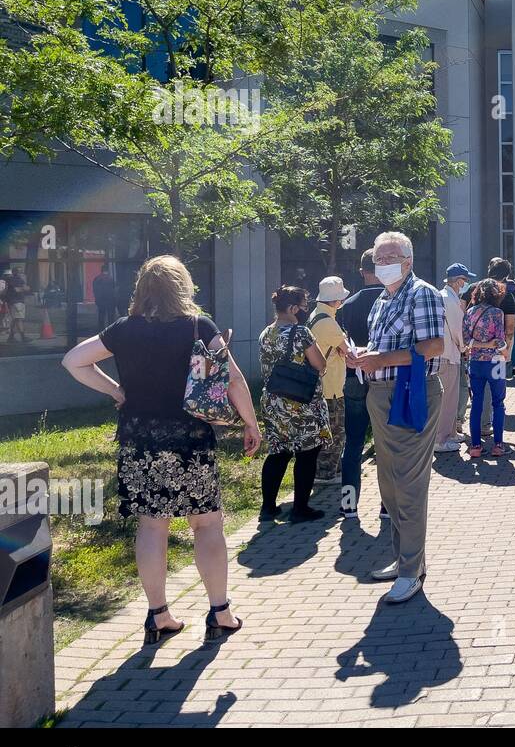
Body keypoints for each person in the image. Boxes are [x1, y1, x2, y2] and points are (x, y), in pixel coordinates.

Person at [61, 256, 259, 646]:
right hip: (190, 441)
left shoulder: (123, 329)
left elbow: (73, 361)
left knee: (152, 525)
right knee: (206, 524)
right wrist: (251, 423)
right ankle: (220, 612)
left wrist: (116, 391)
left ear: (142, 289)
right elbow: (232, 378)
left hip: (139, 440)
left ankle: (158, 616)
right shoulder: (199, 326)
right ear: (182, 286)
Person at [345, 230, 445, 604]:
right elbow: (382, 346)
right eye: (377, 259)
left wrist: (381, 359)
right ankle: (406, 559)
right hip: (380, 393)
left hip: (411, 391)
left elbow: (434, 345)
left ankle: (410, 570)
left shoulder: (423, 294)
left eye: (389, 258)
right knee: (389, 484)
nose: (381, 264)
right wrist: (361, 356)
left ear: (408, 260)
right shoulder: (384, 300)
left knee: (408, 485)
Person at [258, 285, 330, 525]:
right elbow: (319, 364)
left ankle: (268, 508)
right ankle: (300, 508)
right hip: (301, 402)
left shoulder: (266, 333)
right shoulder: (301, 333)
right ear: (292, 308)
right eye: (303, 306)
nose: (305, 311)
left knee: (278, 452)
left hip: (274, 402)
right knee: (307, 452)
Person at [336, 249, 384, 519]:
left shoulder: (348, 305)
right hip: (384, 378)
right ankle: (386, 506)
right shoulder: (391, 300)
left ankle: (348, 504)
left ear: (361, 271)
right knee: (386, 444)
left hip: (354, 378)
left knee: (352, 444)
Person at [308, 276, 350, 485]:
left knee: (322, 431)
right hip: (331, 387)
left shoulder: (314, 317)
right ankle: (325, 473)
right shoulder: (328, 323)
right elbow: (348, 351)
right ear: (335, 301)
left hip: (319, 386)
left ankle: (322, 470)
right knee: (336, 431)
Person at [464, 279, 508, 457]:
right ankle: (498, 445)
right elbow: (499, 341)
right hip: (496, 361)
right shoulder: (497, 313)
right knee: (498, 402)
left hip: (475, 361)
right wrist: (504, 352)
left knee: (476, 402)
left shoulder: (469, 312)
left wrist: (480, 345)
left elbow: (466, 340)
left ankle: (475, 446)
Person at [435, 262, 474, 453]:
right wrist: (465, 346)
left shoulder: (445, 296)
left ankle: (450, 433)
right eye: (465, 280)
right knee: (448, 399)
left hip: (445, 353)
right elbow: (458, 328)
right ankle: (441, 439)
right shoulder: (449, 299)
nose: (466, 283)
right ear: (458, 281)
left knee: (451, 397)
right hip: (448, 354)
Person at [481, 257, 515, 437]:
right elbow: (509, 328)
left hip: (475, 348)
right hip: (497, 350)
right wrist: (507, 350)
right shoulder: (506, 295)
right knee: (495, 388)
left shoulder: (475, 289)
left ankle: (476, 422)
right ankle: (488, 424)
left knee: (478, 388)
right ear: (507, 274)